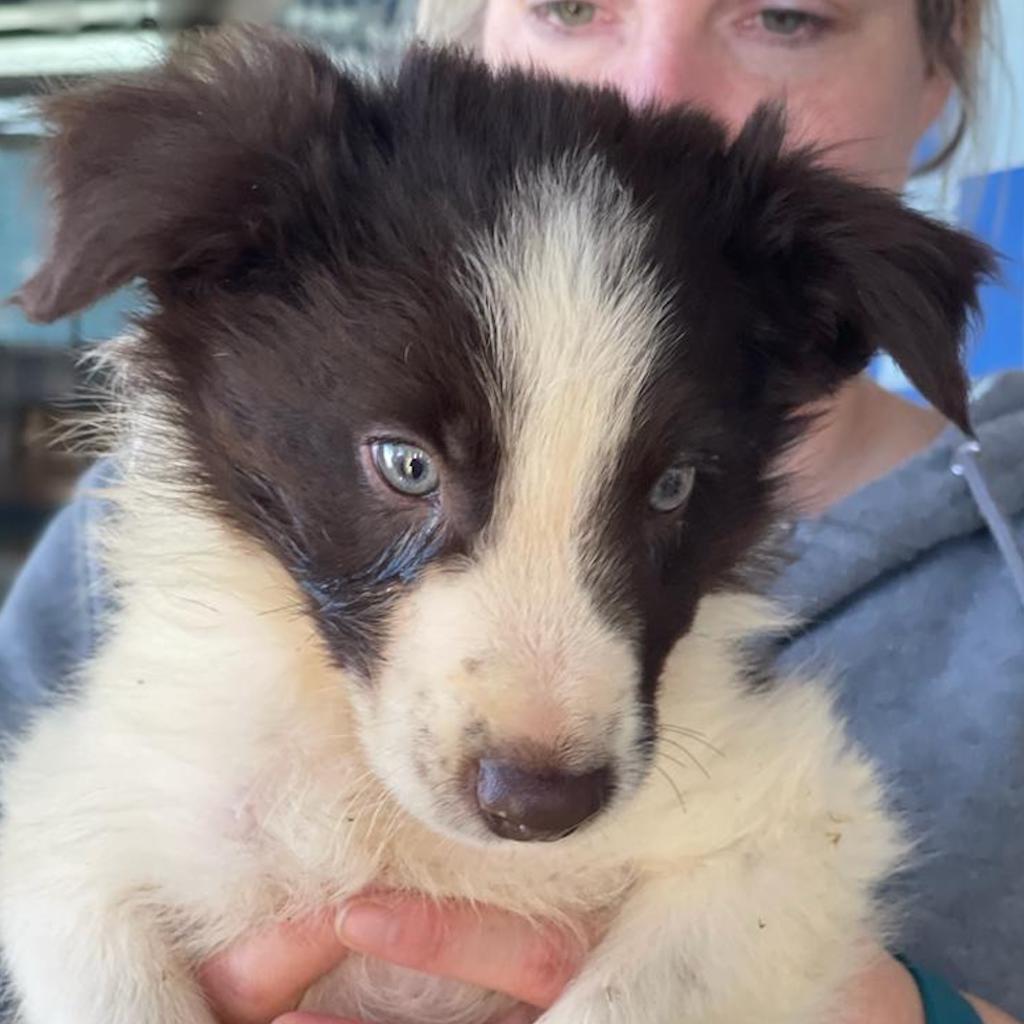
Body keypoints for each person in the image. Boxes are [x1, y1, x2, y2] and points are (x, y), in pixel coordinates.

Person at [1, 2, 1022, 1022]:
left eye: (785, 16)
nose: (654, 90)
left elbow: (782, 850)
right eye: (408, 468)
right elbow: (55, 855)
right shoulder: (108, 582)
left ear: (939, 69)